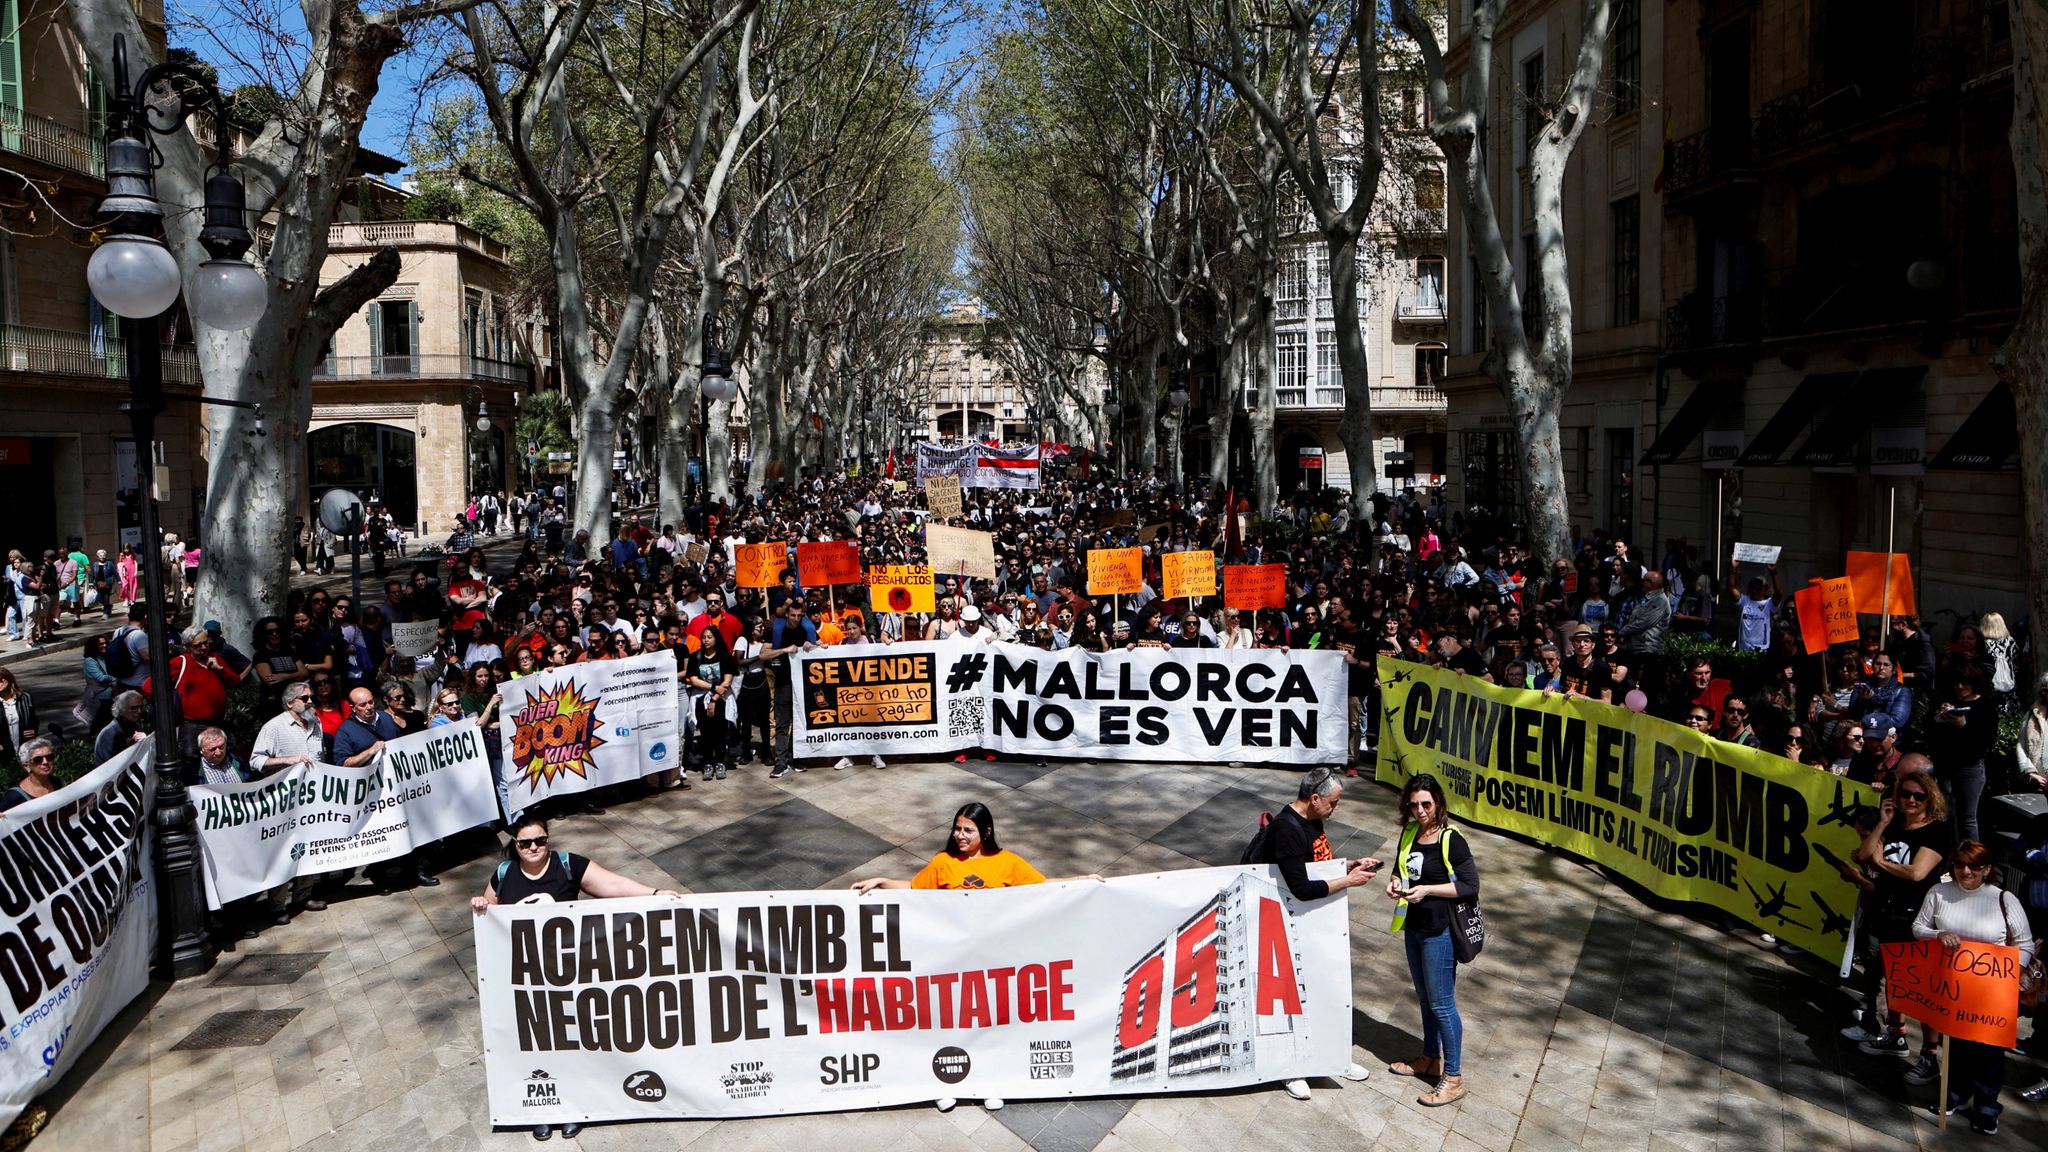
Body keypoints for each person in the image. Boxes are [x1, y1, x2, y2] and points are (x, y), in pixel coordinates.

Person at [848, 802, 1106, 1115]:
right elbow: (915, 889)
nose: (960, 835)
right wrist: (881, 881)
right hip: (952, 963)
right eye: (957, 829)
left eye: (967, 830)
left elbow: (1041, 886)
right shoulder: (943, 862)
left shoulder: (1006, 862)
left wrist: (1081, 881)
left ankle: (992, 1083)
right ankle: (944, 1083)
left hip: (993, 961)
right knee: (949, 1021)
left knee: (991, 1023)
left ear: (985, 832)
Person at [470, 817, 682, 1143]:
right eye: (525, 843)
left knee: (570, 1042)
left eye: (539, 840)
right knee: (532, 1044)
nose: (533, 848)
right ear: (514, 844)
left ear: (548, 839)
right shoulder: (504, 874)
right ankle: (539, 1108)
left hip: (569, 975)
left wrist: (653, 893)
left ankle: (571, 1105)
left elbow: (611, 885)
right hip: (524, 978)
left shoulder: (567, 865)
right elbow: (490, 908)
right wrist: (480, 904)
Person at [1249, 767, 1380, 1099]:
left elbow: (1315, 864)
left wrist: (1346, 866)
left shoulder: (1312, 821)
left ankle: (1332, 1059)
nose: (1335, 810)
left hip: (1315, 928)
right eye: (1333, 803)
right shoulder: (1287, 830)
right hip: (1287, 928)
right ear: (1315, 798)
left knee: (1327, 992)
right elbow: (1302, 888)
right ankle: (1289, 1069)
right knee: (1290, 1002)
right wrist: (1348, 882)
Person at [1911, 839, 2034, 1134]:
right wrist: (1939, 934)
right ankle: (1954, 1097)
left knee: (1989, 1053)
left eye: (1974, 866)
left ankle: (1987, 1108)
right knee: (1957, 1046)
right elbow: (1918, 928)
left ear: (1987, 869)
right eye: (1960, 865)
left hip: (1993, 992)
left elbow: (2025, 943)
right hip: (1952, 987)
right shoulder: (1939, 892)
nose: (1966, 871)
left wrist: (2013, 968)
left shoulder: (2004, 899)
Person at [1838, 763, 1954, 1060]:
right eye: (1905, 794)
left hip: (1914, 915)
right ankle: (1895, 1033)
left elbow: (1916, 873)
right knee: (1892, 978)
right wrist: (1882, 823)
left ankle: (1929, 1053)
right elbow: (1864, 854)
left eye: (1919, 796)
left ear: (1931, 799)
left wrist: (1882, 863)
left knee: (1916, 986)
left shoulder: (1937, 831)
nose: (1911, 801)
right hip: (1885, 910)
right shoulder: (1894, 824)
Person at [1384, 773, 1478, 1107]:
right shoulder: (1410, 832)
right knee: (1425, 999)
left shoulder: (1452, 839)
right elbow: (1400, 868)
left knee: (1442, 1004)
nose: (1420, 811)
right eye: (1414, 805)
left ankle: (1453, 1079)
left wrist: (1429, 890)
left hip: (1440, 932)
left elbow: (1469, 885)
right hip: (1414, 927)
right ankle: (1430, 1058)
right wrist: (1394, 882)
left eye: (1426, 803)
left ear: (1437, 801)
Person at [250, 684, 331, 917]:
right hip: (283, 800)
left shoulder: (316, 723)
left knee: (308, 846)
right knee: (285, 851)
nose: (309, 702)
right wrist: (288, 761)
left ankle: (303, 895)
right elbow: (256, 761)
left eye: (310, 697)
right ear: (289, 703)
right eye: (304, 698)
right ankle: (277, 904)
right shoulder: (274, 727)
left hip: (312, 798)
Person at [1931, 673, 1996, 841]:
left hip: (1970, 768)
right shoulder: (1951, 702)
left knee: (1967, 818)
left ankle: (1971, 859)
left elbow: (1985, 743)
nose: (1960, 687)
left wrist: (1964, 726)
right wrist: (1940, 717)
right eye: (1956, 683)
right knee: (1947, 815)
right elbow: (1932, 732)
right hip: (1945, 765)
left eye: (1965, 683)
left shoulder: (1985, 707)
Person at [0, 738, 58, 811]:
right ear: (26, 766)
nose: (45, 762)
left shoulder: (59, 783)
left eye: (50, 757)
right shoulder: (14, 796)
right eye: (38, 759)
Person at [93, 691, 148, 766]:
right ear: (121, 709)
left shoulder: (135, 725)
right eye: (134, 708)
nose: (139, 711)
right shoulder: (109, 733)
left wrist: (146, 741)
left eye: (141, 707)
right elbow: (110, 766)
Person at [0, 667, 40, 759]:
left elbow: (34, 719)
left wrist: (33, 730)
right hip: (3, 752)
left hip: (25, 748)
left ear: (9, 679)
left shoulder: (25, 698)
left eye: (1, 679)